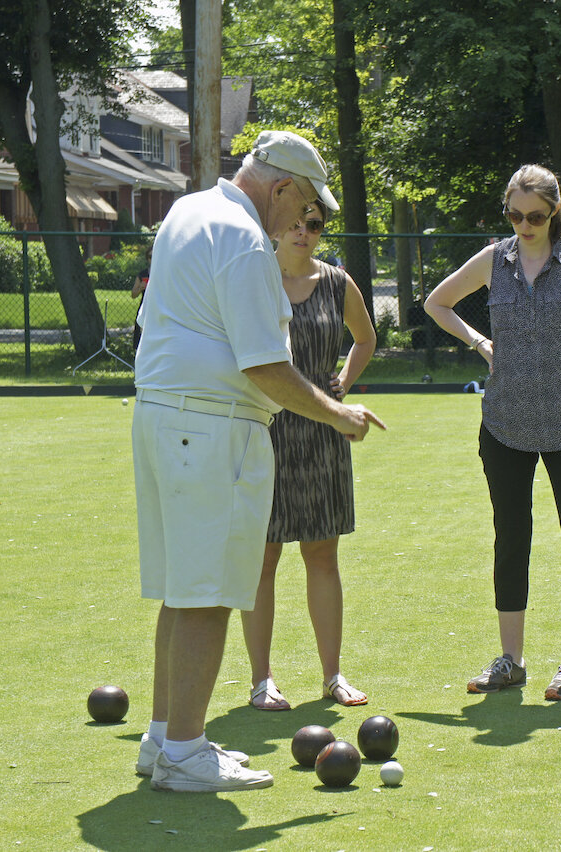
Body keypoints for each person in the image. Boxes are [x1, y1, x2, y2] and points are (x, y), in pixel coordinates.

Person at [131, 130, 384, 793]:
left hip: (162, 418)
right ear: (280, 186)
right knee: (210, 592)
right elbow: (265, 365)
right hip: (211, 428)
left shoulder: (187, 210)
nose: (304, 217)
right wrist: (338, 415)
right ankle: (184, 753)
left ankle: (163, 738)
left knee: (183, 588)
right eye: (303, 202)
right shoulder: (244, 239)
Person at [425, 164, 561, 700]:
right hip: (504, 423)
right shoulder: (494, 260)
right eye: (514, 215)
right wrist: (479, 342)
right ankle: (510, 661)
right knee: (511, 538)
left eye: (535, 216)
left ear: (555, 211)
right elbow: (436, 303)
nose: (524, 226)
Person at [241, 200, 377, 710]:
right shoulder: (254, 279)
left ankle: (332, 676)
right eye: (295, 223)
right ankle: (262, 680)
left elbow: (365, 339)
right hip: (266, 426)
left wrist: (341, 384)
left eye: (314, 224)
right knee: (263, 557)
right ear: (277, 226)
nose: (303, 232)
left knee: (322, 555)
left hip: (323, 428)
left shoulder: (338, 283)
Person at [131, 248, 150, 351]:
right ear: (147, 259)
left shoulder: (163, 273)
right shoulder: (143, 274)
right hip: (145, 306)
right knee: (140, 335)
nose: (152, 259)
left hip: (160, 306)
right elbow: (133, 295)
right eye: (150, 256)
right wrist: (140, 288)